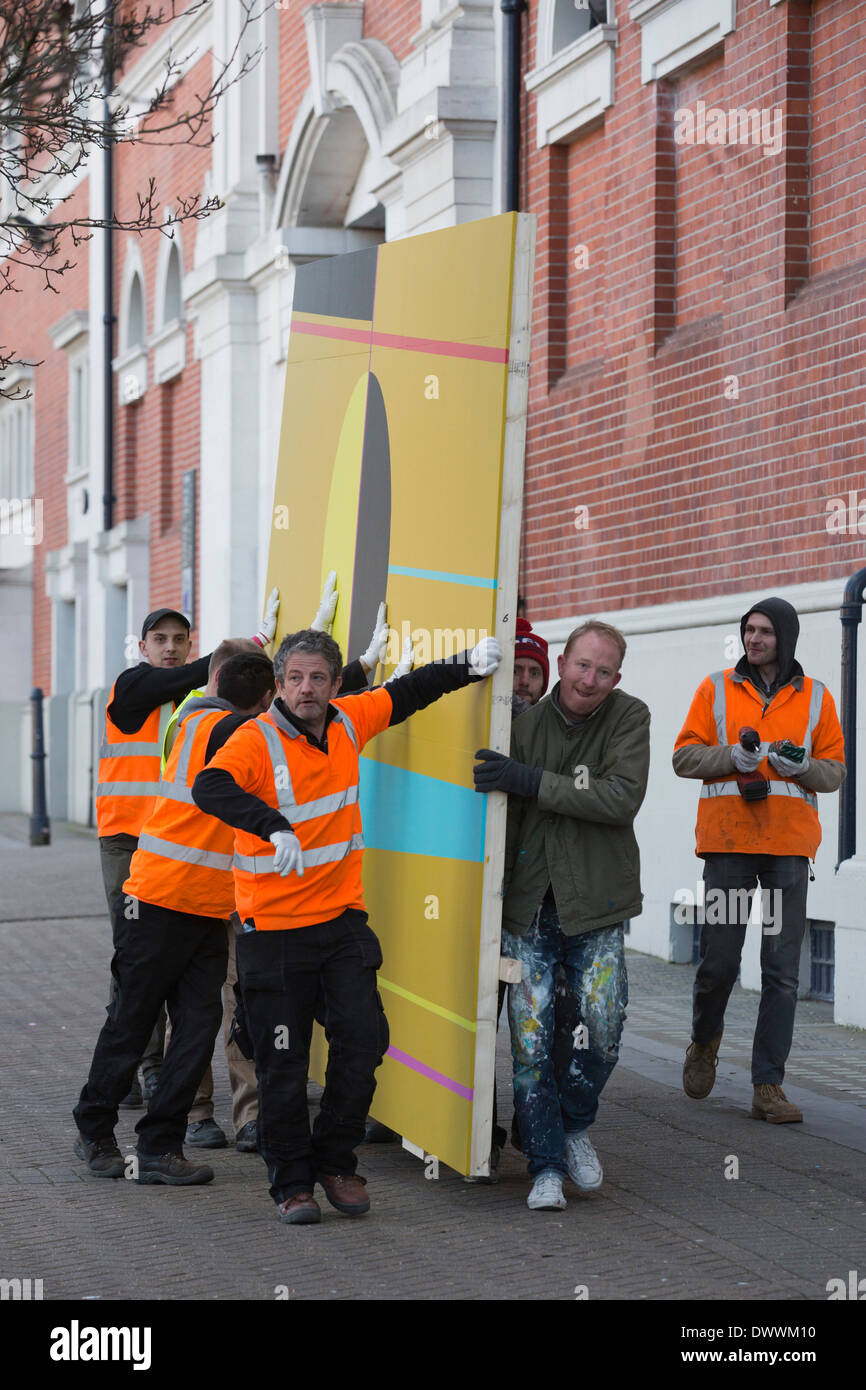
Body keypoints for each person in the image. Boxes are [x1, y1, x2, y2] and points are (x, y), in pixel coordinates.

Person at [191, 627, 502, 1225]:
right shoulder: (253, 739)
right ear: (278, 684)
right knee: (284, 1065)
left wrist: (468, 663)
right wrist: (271, 824)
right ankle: (291, 1185)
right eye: (295, 678)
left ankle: (335, 1160)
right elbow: (211, 785)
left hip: (339, 923)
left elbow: (409, 691)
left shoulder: (349, 720)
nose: (306, 689)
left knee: (364, 1043)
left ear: (336, 684)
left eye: (318, 678)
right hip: (272, 932)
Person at [73, 652, 278, 1185]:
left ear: (215, 681)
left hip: (206, 908)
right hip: (159, 902)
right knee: (134, 1019)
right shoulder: (222, 727)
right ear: (266, 700)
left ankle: (160, 1147)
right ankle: (93, 1131)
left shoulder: (193, 719)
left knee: (195, 1025)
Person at [474, 620, 649, 1211]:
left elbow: (619, 797)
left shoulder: (630, 718)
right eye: (581, 665)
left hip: (596, 907)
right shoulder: (522, 727)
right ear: (562, 664)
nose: (589, 679)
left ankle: (574, 1125)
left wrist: (531, 781)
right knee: (529, 1040)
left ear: (616, 678)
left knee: (602, 1027)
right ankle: (544, 1165)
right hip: (528, 911)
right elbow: (510, 824)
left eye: (603, 671)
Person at [95, 598, 277, 1105]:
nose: (170, 648)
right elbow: (201, 680)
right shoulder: (132, 687)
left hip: (184, 848)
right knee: (136, 965)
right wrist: (251, 652)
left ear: (191, 644)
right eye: (160, 640)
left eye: (180, 639)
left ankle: (164, 1079)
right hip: (128, 840)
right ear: (142, 646)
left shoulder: (197, 701)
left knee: (181, 970)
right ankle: (143, 1069)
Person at [673, 597, 845, 1122]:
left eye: (765, 631)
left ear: (785, 637)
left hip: (787, 854)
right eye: (749, 629)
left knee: (782, 972)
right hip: (728, 849)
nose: (754, 639)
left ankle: (767, 1085)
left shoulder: (816, 697)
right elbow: (683, 757)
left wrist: (800, 765)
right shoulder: (716, 687)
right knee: (720, 962)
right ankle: (704, 1044)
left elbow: (834, 773)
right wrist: (732, 757)